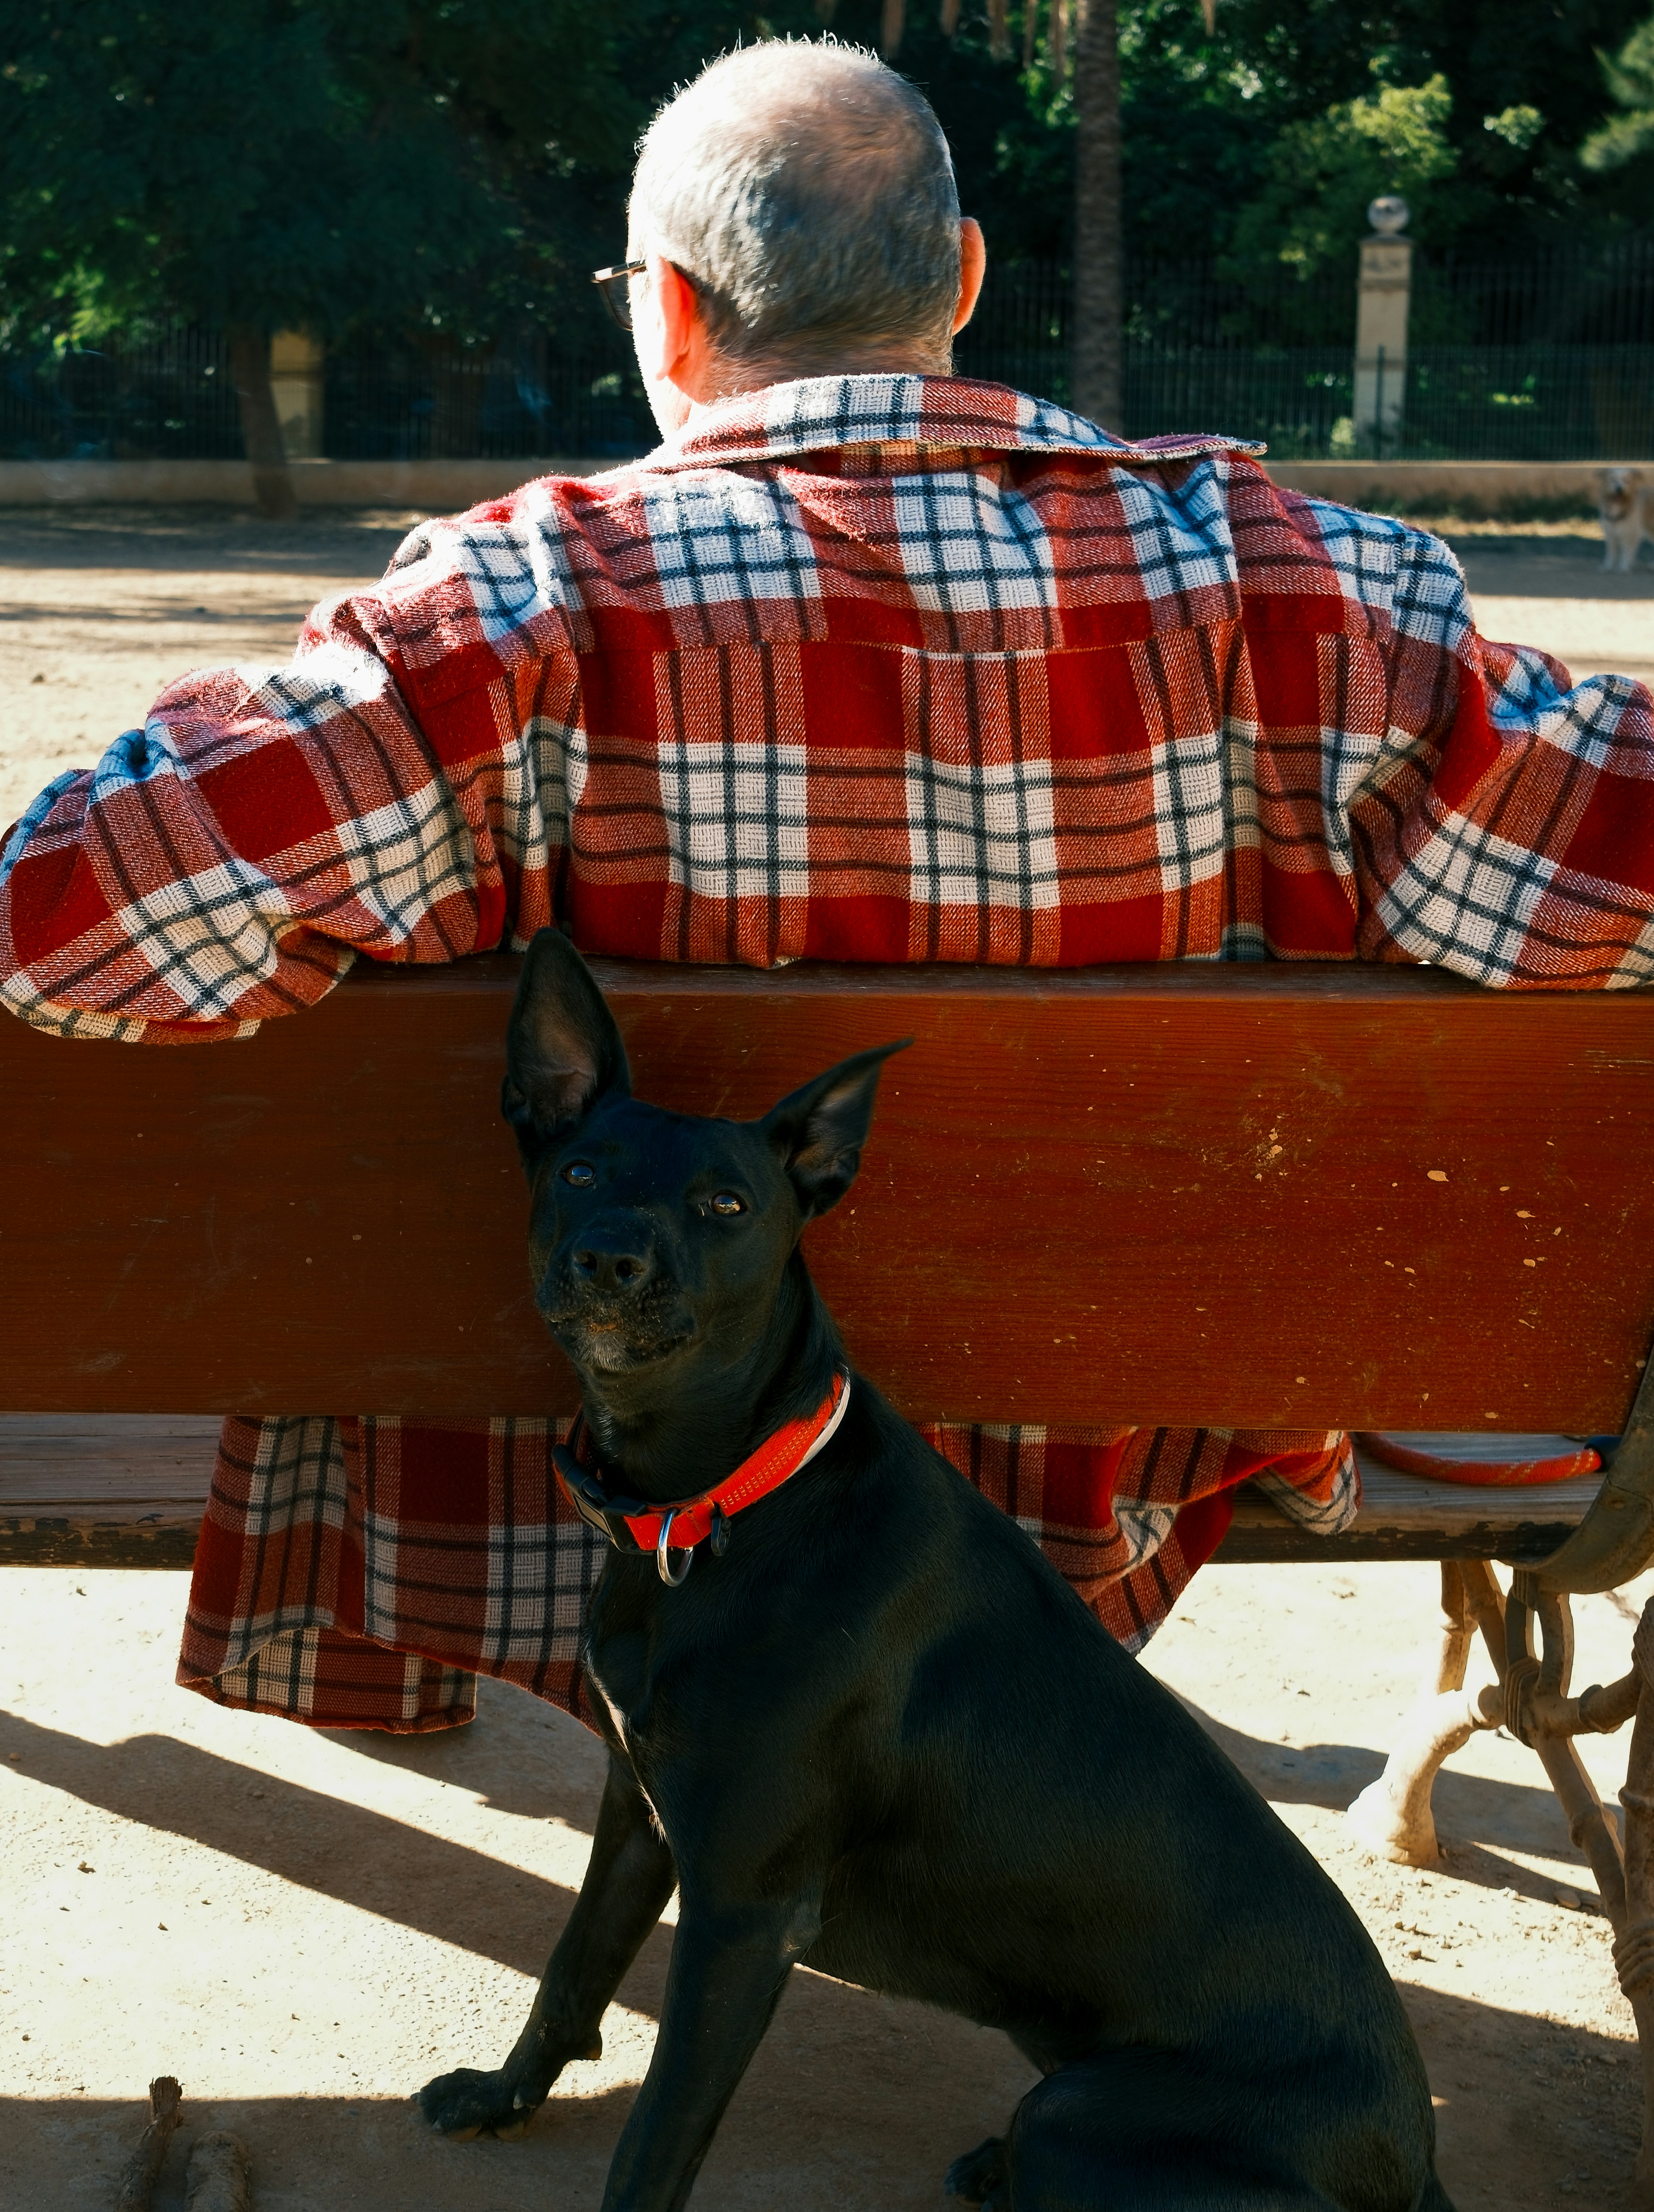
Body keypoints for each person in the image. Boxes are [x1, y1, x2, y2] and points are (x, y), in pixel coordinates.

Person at [4, 39, 1652, 1739]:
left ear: (666, 310)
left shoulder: (508, 616)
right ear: (964, 278)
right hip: (1079, 1512)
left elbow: (65, 922)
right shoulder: (1305, 591)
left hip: (601, 1516)